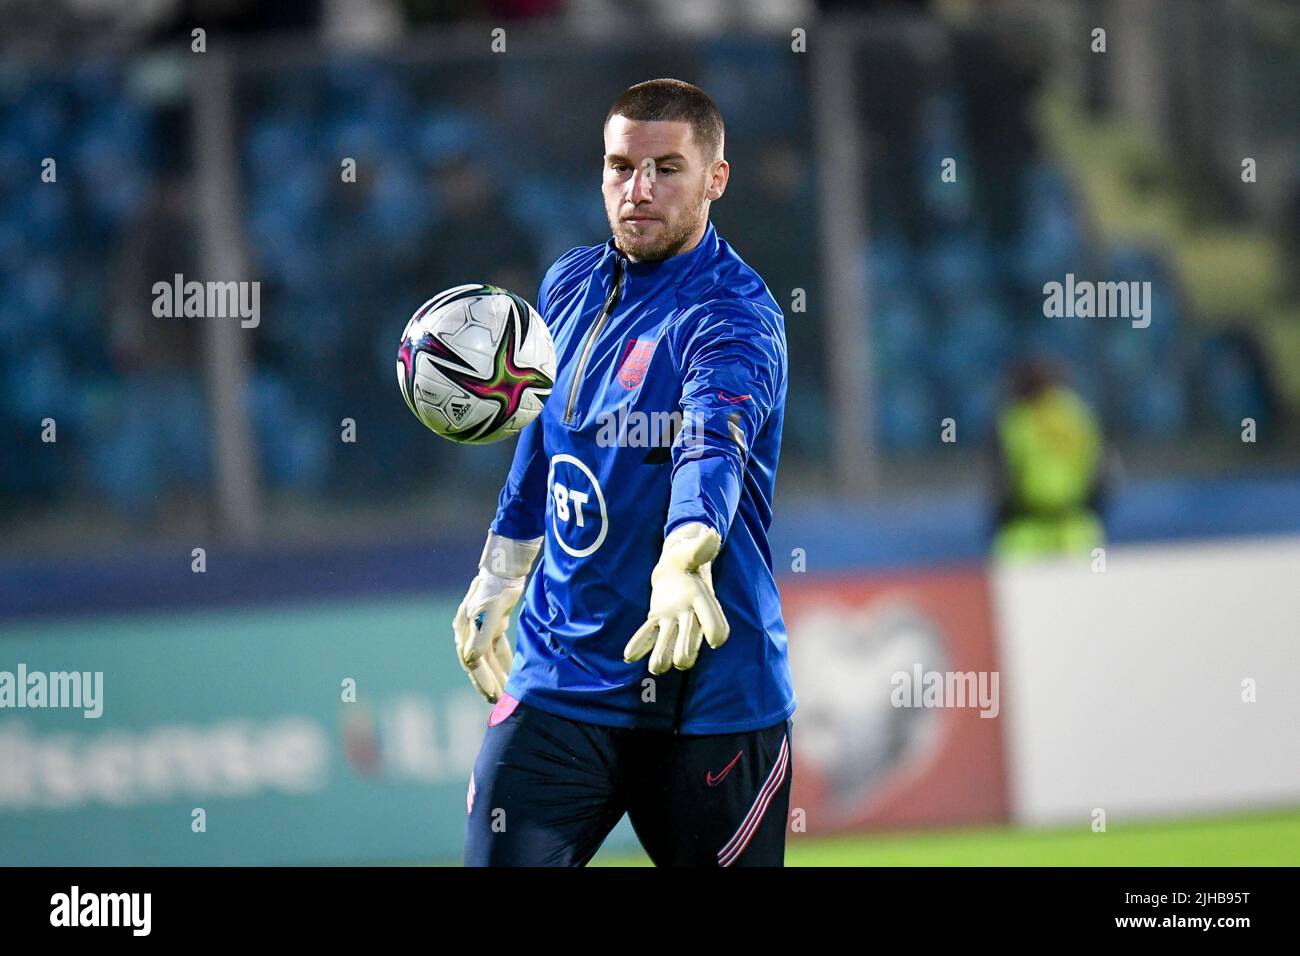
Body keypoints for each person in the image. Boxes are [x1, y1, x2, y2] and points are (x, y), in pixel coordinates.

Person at [453, 78, 795, 866]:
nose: (637, 191)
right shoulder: (568, 282)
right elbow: (541, 436)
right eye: (619, 168)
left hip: (707, 695)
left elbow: (713, 441)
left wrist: (684, 557)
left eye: (665, 169)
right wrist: (501, 571)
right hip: (558, 684)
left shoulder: (733, 315)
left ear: (716, 179)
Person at [991, 357, 1107, 560]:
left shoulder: (1015, 420)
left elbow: (1002, 481)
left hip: (1026, 531)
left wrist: (999, 518)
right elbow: (1102, 475)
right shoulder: (1079, 414)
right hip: (1077, 528)